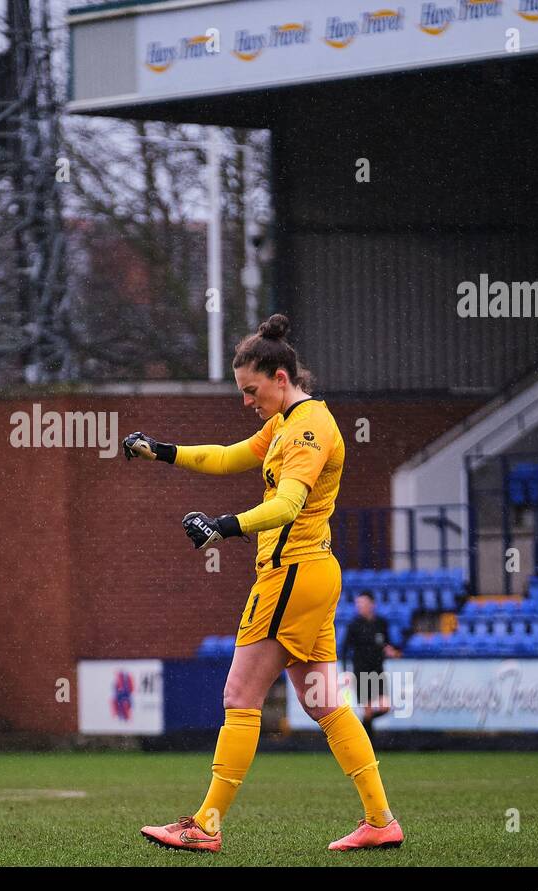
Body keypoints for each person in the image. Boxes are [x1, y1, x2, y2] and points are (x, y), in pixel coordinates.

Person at [125, 313, 402, 853]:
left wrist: (222, 528)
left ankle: (206, 824)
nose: (247, 402)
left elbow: (288, 503)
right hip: (313, 572)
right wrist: (163, 451)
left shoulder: (305, 427)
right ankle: (380, 819)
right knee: (325, 702)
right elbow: (229, 457)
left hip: (292, 574)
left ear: (280, 376)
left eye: (251, 391)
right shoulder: (288, 421)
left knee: (239, 694)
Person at [342, 591, 400, 744]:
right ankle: (368, 744)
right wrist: (346, 672)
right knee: (367, 710)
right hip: (361, 671)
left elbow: (386, 643)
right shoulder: (354, 625)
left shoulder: (381, 623)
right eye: (358, 604)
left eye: (363, 603)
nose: (360, 606)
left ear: (372, 604)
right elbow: (344, 649)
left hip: (377, 670)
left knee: (385, 707)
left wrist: (389, 650)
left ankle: (360, 731)